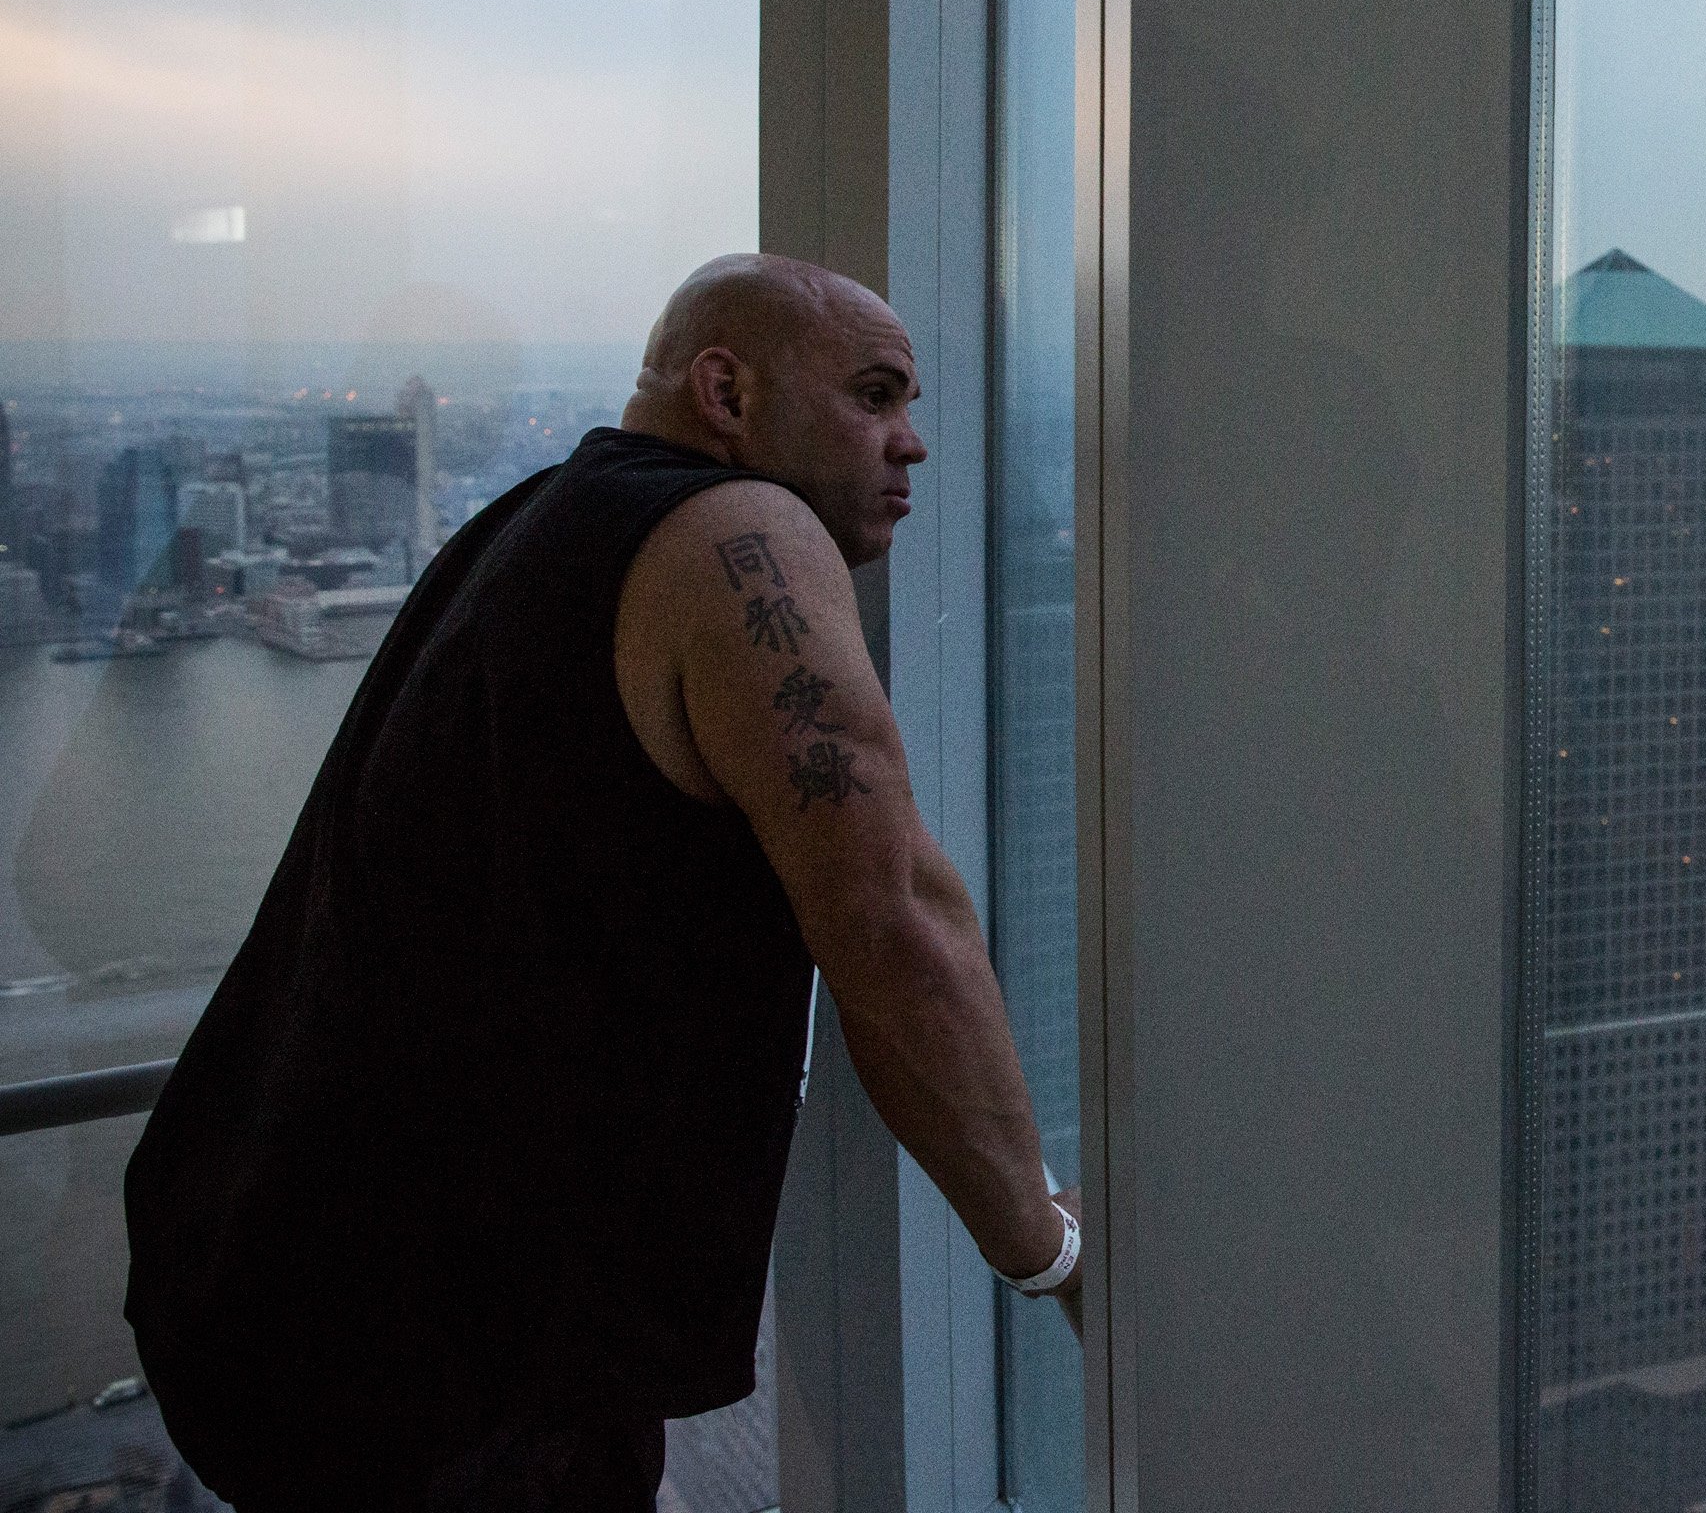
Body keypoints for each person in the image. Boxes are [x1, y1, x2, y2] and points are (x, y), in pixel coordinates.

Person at [124, 254, 1077, 1511]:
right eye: (876, 393)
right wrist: (1052, 1256)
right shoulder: (745, 532)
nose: (914, 443)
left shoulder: (525, 519)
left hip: (269, 1284)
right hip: (448, 1377)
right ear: (726, 393)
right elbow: (895, 921)